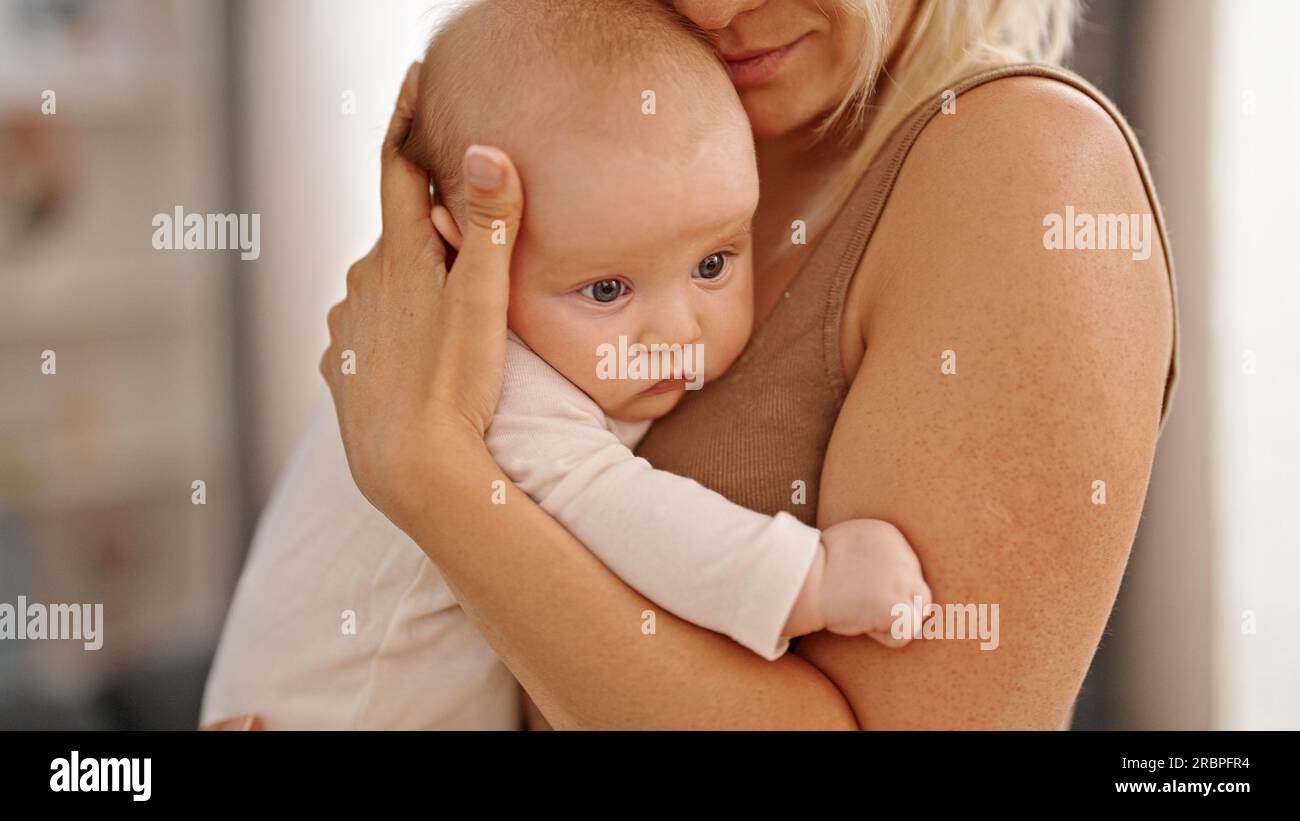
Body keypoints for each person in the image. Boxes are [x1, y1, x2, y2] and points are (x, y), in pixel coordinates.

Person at [316, 0, 1177, 729]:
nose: (716, 9)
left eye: (712, 266)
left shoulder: (1031, 171)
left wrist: (425, 470)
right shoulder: (606, 107)